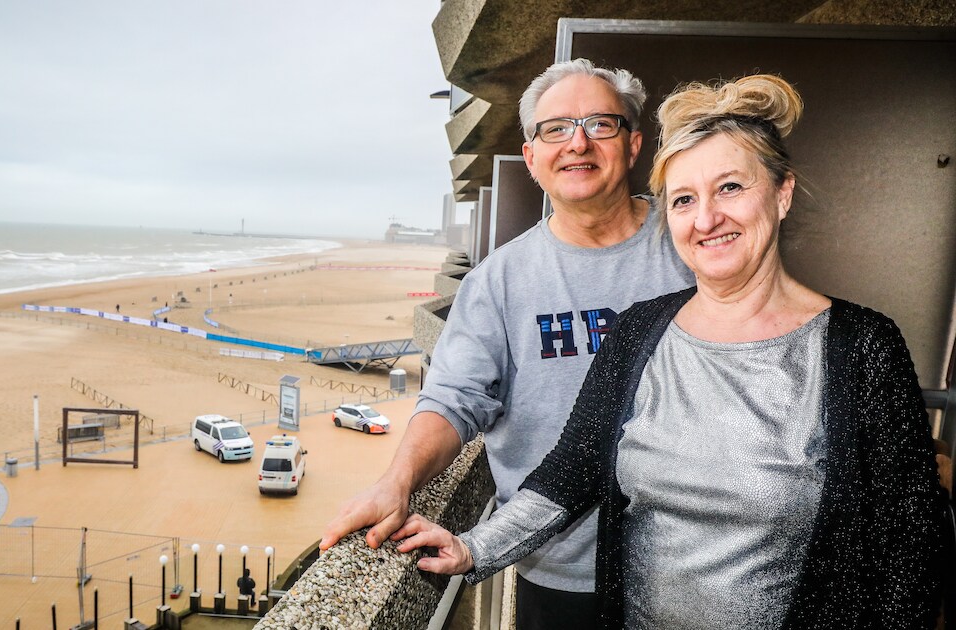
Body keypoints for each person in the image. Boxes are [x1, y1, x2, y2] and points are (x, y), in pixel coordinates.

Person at [393, 74, 948, 627]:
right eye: (685, 199)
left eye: (730, 187)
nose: (706, 218)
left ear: (782, 193)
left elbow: (908, 561)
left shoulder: (864, 348)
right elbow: (572, 470)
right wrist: (472, 550)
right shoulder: (639, 331)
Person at [321, 59, 694, 628]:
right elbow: (453, 399)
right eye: (555, 129)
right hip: (558, 569)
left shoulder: (694, 250)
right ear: (531, 158)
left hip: (693, 563)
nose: (578, 143)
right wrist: (396, 485)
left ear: (634, 143)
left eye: (600, 124)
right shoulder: (499, 282)